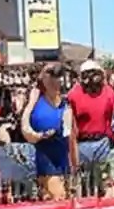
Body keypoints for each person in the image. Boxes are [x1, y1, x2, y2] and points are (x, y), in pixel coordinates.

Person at [19, 62, 77, 201]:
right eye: (51, 75)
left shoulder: (65, 105)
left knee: (63, 201)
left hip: (62, 160)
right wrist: (40, 136)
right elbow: (26, 130)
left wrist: (75, 166)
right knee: (58, 198)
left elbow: (71, 137)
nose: (56, 80)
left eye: (58, 76)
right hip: (45, 158)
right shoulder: (34, 100)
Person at [67, 59, 114, 196]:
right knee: (82, 185)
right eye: (87, 74)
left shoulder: (109, 93)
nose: (91, 77)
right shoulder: (74, 95)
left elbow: (111, 115)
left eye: (94, 73)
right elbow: (72, 125)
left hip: (102, 141)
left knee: (104, 183)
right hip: (82, 143)